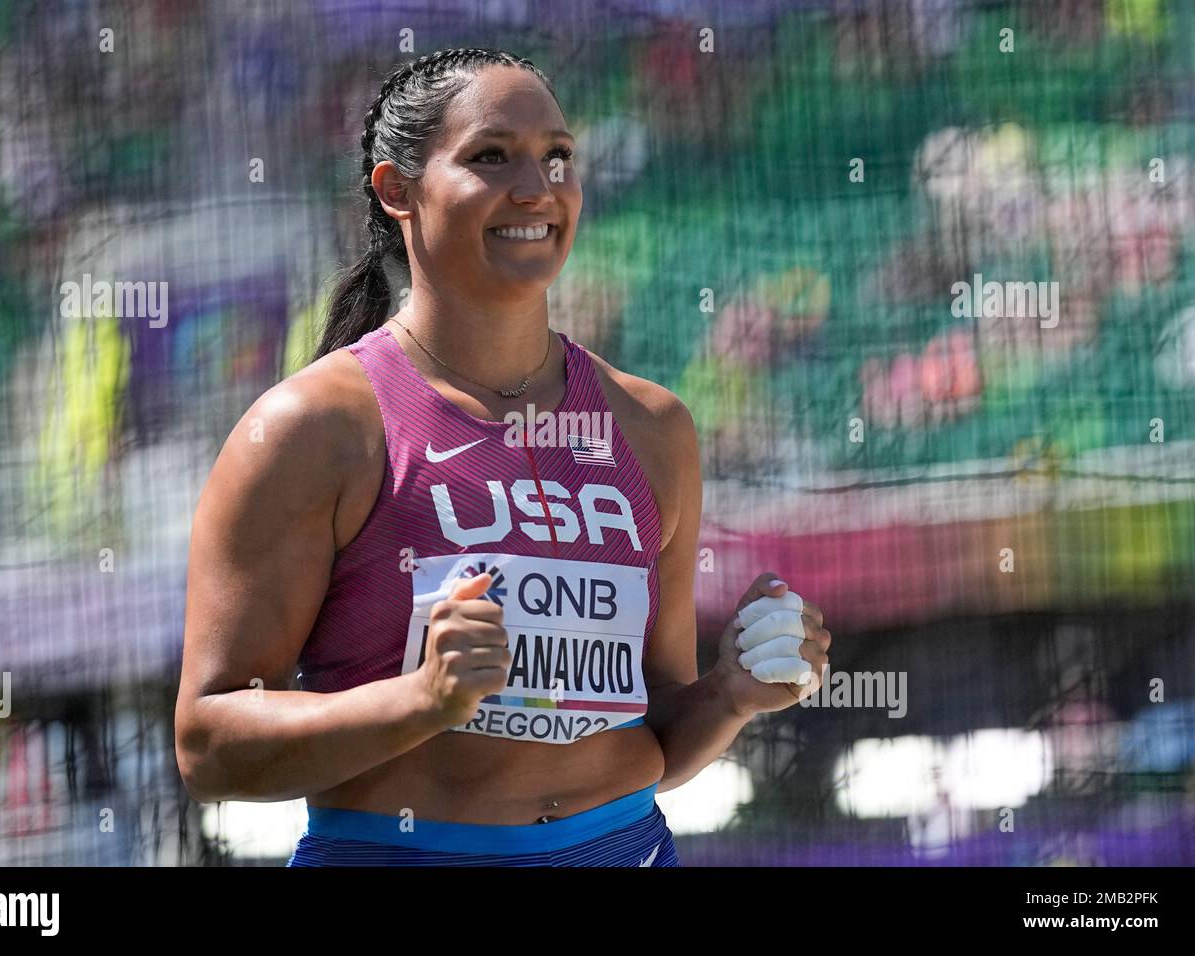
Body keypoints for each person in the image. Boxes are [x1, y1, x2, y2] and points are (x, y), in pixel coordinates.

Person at [174, 47, 831, 867]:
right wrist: (420, 702)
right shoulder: (312, 429)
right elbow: (209, 746)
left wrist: (731, 695)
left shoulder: (653, 427)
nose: (537, 188)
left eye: (557, 157)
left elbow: (654, 724)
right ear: (397, 190)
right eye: (491, 157)